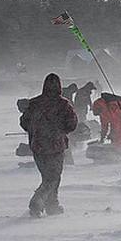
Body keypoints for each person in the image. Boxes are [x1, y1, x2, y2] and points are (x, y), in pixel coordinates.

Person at [20, 73, 78, 217]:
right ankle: (37, 202)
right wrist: (59, 131)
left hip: (37, 146)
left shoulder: (34, 103)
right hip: (55, 146)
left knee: (48, 177)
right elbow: (72, 124)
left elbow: (24, 122)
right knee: (53, 178)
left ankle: (52, 205)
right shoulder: (63, 104)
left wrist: (36, 131)